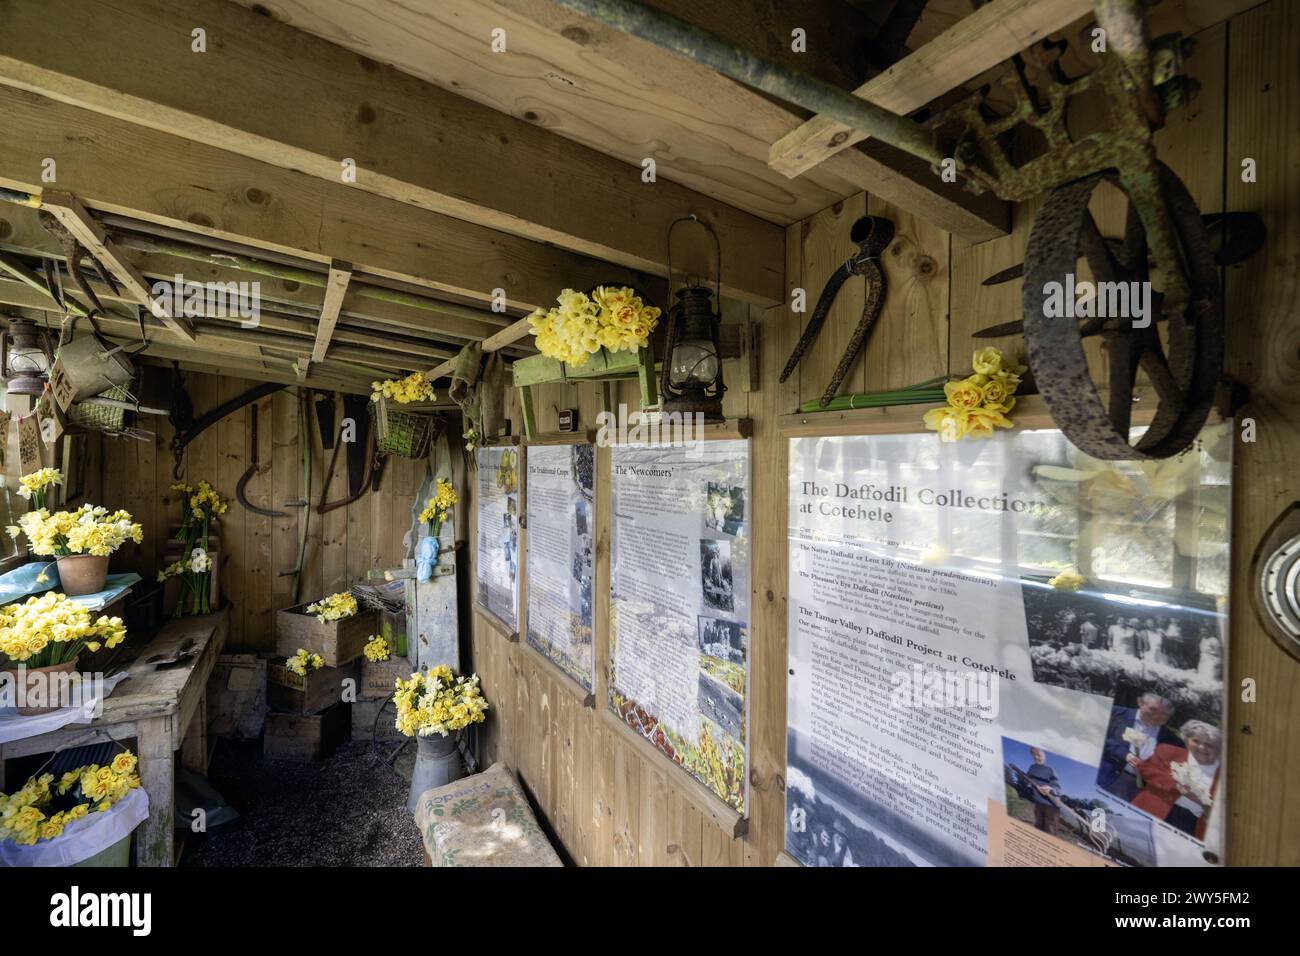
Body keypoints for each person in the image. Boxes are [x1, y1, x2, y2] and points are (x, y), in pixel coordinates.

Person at [1133, 720, 1222, 839]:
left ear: (1218, 748)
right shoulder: (1168, 751)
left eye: (1209, 745)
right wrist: (1175, 786)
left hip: (1192, 824)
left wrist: (1204, 803)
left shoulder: (1225, 776)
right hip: (1153, 809)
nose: (1202, 747)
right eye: (1196, 741)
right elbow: (1145, 768)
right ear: (1186, 739)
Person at [1097, 693, 1182, 801]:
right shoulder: (1114, 712)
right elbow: (1096, 735)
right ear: (1140, 702)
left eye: (1164, 714)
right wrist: (1124, 754)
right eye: (1153, 709)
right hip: (1104, 776)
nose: (1157, 716)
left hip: (1137, 790)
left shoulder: (1171, 739)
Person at [1024, 747, 1063, 836]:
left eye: (1038, 754)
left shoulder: (1050, 770)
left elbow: (1058, 788)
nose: (1036, 757)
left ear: (1044, 755)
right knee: (1038, 826)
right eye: (1033, 755)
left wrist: (1050, 789)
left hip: (1052, 805)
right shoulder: (1032, 768)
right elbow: (1027, 780)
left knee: (1050, 831)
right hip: (1038, 803)